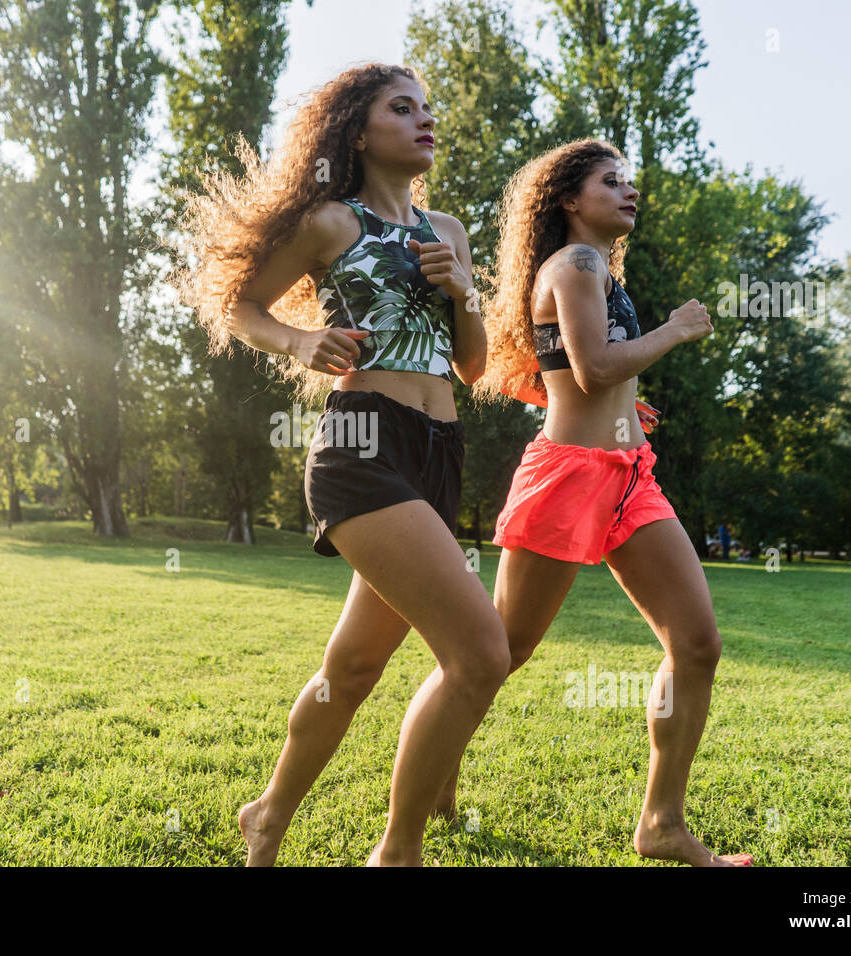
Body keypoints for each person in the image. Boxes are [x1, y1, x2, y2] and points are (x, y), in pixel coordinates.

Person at [176, 63, 508, 866]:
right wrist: (299, 341)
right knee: (481, 655)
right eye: (403, 108)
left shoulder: (451, 231)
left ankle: (268, 813)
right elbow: (241, 305)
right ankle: (397, 853)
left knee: (354, 665)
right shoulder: (331, 221)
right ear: (358, 131)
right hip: (363, 442)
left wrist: (465, 292)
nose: (426, 119)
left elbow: (472, 367)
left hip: (439, 450)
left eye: (428, 108)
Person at [459, 138, 753, 866]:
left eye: (629, 181)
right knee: (500, 652)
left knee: (695, 643)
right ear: (568, 199)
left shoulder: (595, 270)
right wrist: (676, 330)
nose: (628, 191)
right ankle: (432, 778)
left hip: (628, 476)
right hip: (570, 476)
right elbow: (593, 373)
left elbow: (563, 371)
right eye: (609, 181)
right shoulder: (579, 263)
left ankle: (661, 824)